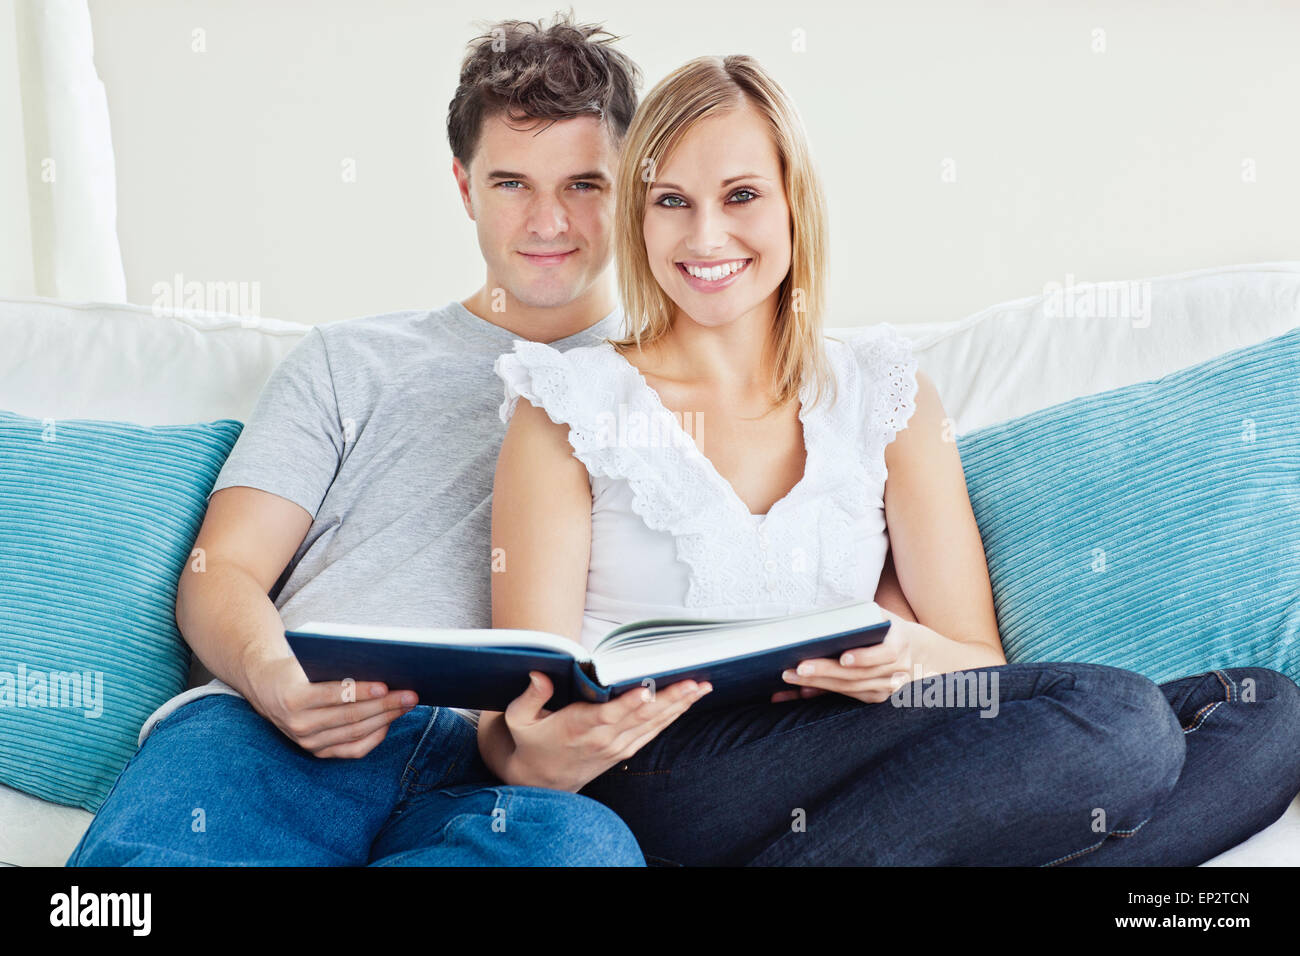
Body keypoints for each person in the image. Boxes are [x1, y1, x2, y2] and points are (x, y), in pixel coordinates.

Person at [482, 53, 1300, 865]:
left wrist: (904, 658)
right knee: (1117, 719)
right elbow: (510, 723)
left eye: (741, 196)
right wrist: (542, 751)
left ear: (793, 206)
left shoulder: (885, 392)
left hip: (867, 746)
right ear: (641, 218)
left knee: (1265, 711)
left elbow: (977, 663)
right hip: (667, 769)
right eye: (671, 202)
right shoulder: (568, 404)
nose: (705, 236)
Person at [69, 13, 655, 867]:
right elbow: (219, 570)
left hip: (497, 778)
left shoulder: (670, 388)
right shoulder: (353, 359)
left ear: (631, 186)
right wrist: (274, 681)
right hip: (278, 733)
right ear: (463, 188)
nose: (548, 220)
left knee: (583, 854)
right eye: (511, 184)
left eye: (583, 185)